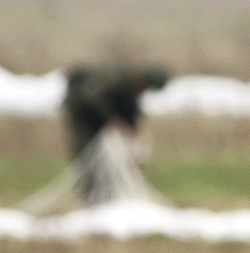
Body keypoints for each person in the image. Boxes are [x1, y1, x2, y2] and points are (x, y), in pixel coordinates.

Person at [59, 62, 169, 207]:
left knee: (110, 157)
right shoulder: (113, 79)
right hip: (83, 114)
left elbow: (128, 109)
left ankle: (108, 198)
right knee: (88, 156)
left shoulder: (130, 86)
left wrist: (131, 127)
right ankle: (90, 200)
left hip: (99, 117)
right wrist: (110, 119)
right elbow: (89, 97)